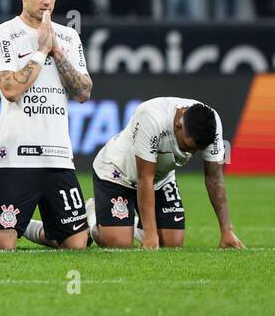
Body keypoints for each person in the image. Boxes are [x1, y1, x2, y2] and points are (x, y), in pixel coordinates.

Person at [0, 0, 93, 251]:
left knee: (76, 244)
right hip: (16, 155)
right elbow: (11, 89)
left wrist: (58, 53)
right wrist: (39, 53)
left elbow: (84, 91)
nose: (47, 1)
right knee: (0, 244)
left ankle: (29, 228)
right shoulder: (3, 33)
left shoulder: (69, 36)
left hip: (58, 154)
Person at [86, 97, 243, 250]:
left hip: (160, 178)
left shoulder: (211, 124)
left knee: (172, 243)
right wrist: (149, 233)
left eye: (197, 150)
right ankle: (92, 215)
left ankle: (124, 224)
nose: (191, 153)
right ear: (178, 126)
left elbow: (214, 178)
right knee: (118, 243)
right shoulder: (151, 118)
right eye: (189, 147)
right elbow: (145, 178)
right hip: (117, 173)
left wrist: (227, 230)